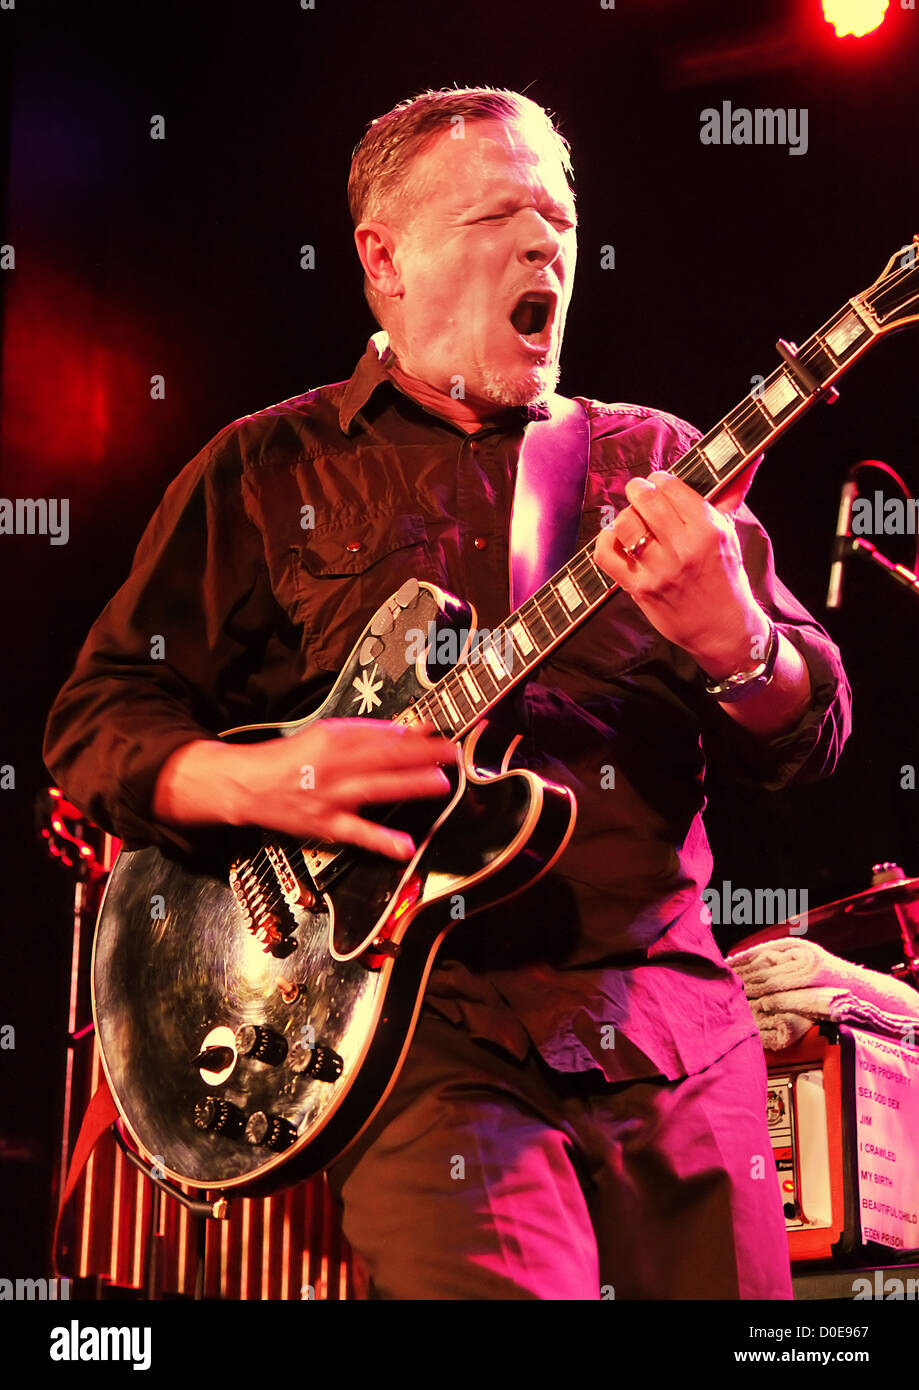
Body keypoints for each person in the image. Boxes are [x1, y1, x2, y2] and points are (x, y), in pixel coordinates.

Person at [43, 86, 851, 1300]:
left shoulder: (652, 461)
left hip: (667, 1033)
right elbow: (97, 717)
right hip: (417, 1036)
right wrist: (267, 776)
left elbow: (809, 737)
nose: (545, 248)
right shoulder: (267, 468)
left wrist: (733, 638)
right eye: (498, 218)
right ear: (384, 259)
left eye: (560, 221)